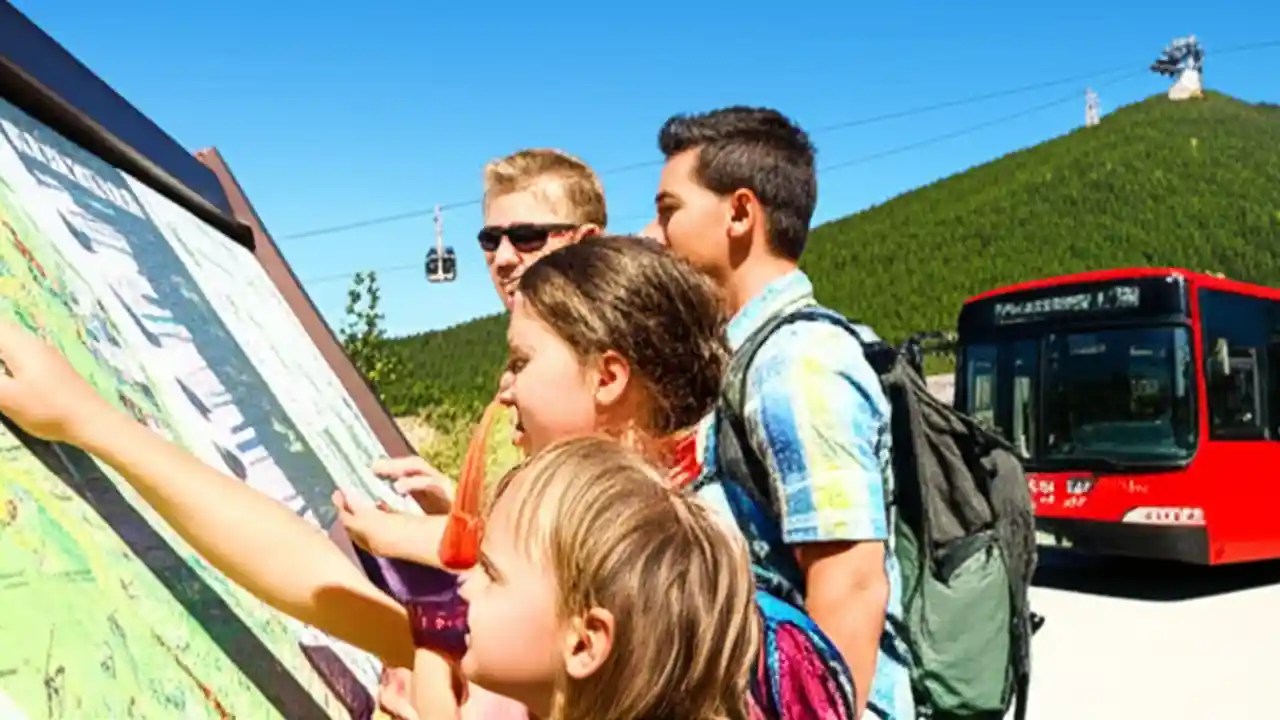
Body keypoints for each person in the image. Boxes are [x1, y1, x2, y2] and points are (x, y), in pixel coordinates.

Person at [0, 321, 757, 720]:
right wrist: (88, 420)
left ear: (585, 641)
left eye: (490, 574)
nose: (460, 586)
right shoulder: (547, 672)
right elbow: (308, 576)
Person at [645, 106, 916, 720]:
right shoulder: (751, 359)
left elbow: (850, 586)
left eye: (669, 210)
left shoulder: (797, 364)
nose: (655, 234)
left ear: (740, 213)